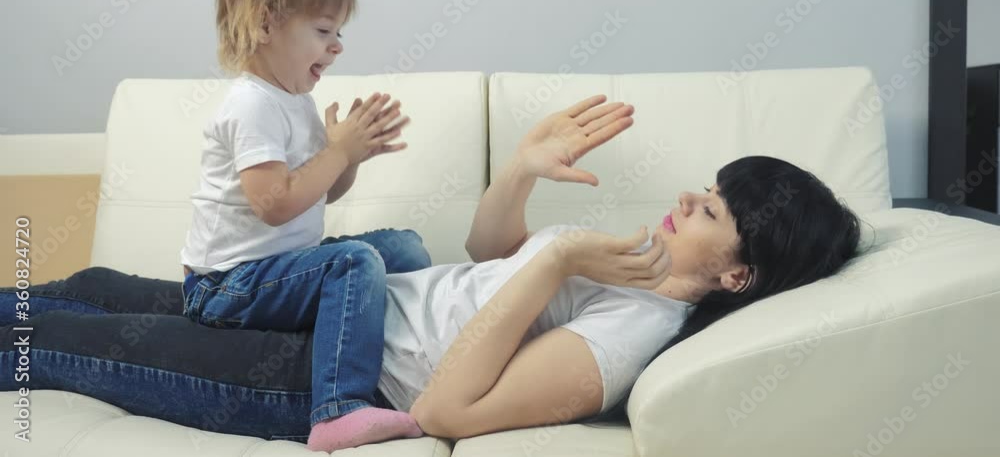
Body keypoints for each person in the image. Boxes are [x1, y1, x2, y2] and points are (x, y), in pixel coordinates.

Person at [0, 95, 862, 445]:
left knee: (65, 341)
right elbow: (493, 257)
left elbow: (446, 407)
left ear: (739, 276)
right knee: (90, 285)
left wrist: (561, 251)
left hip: (333, 369)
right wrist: (522, 168)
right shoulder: (630, 262)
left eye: (712, 209)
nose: (689, 197)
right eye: (707, 188)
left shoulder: (635, 333)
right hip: (335, 308)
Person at [180, 0, 427, 451]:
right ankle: (338, 408)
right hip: (226, 285)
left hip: (278, 269)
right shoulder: (252, 106)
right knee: (353, 262)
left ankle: (410, 351)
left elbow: (323, 194)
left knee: (404, 247)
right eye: (322, 30)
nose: (336, 46)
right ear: (267, 23)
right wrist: (335, 151)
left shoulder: (295, 102)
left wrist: (348, 156)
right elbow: (274, 205)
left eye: (338, 32)